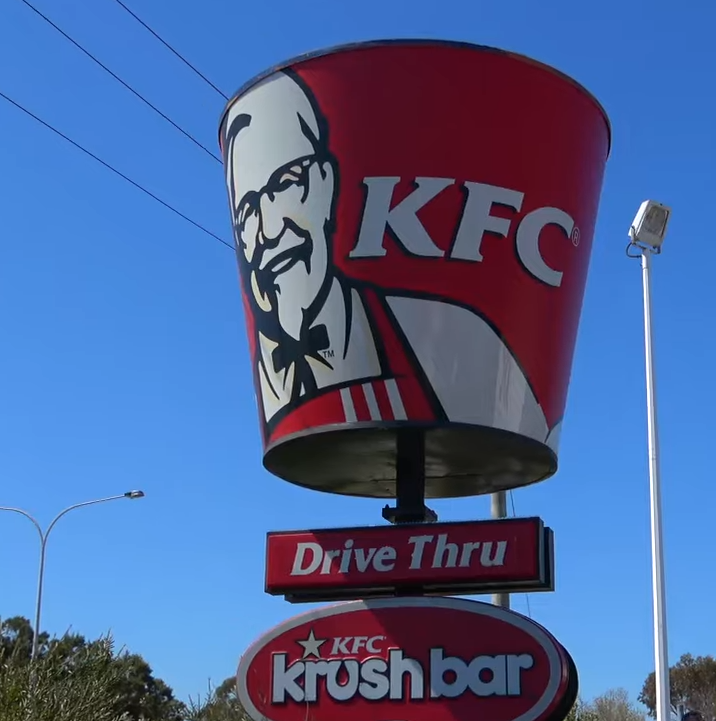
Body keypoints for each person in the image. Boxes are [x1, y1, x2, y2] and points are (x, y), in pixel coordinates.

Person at [221, 69, 556, 449]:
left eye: (286, 183)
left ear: (327, 184)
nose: (269, 228)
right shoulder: (263, 387)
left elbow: (536, 431)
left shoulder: (452, 339)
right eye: (247, 209)